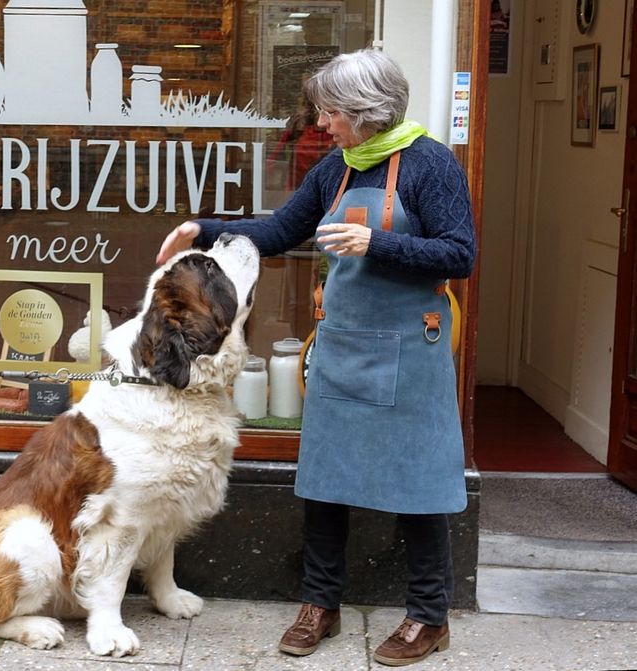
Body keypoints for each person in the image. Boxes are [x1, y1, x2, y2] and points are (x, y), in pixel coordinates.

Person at [155, 49, 476, 667]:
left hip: (411, 350)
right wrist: (204, 228)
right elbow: (280, 230)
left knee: (418, 485)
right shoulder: (336, 169)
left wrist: (376, 242)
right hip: (343, 348)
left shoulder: (431, 165)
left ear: (366, 112)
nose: (321, 124)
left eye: (330, 112)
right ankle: (319, 604)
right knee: (325, 483)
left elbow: (459, 254)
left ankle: (428, 616)